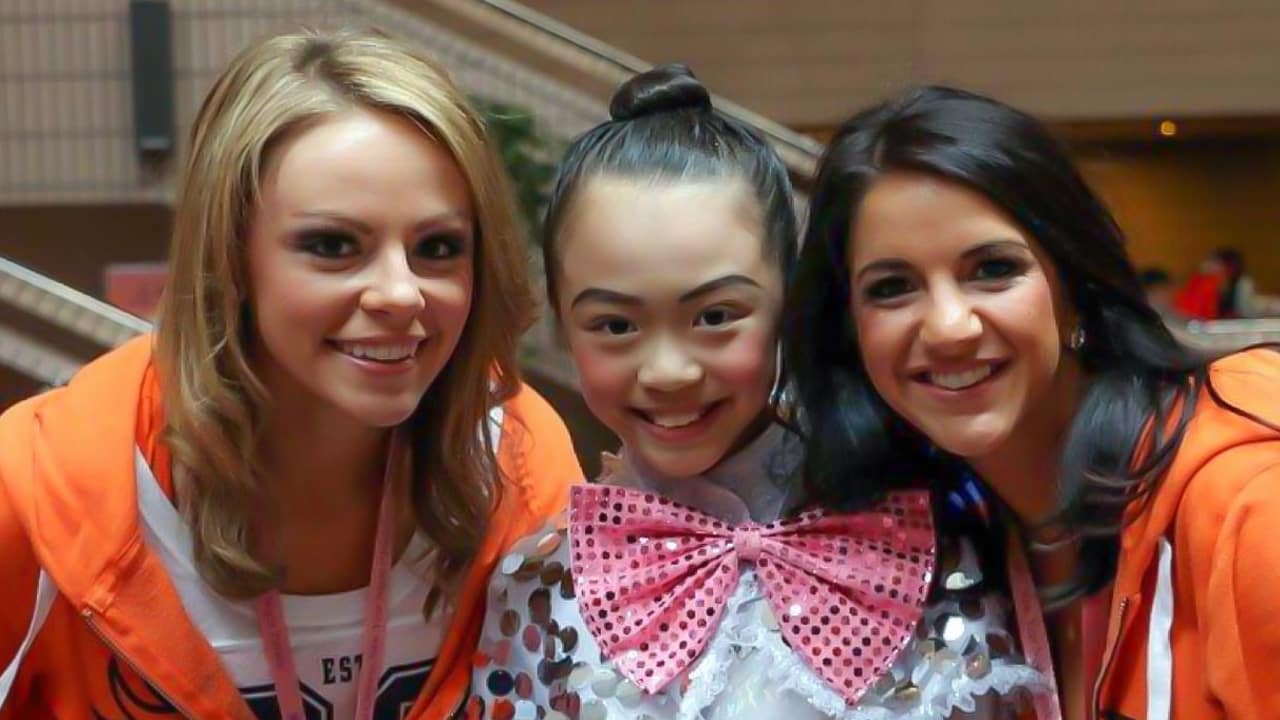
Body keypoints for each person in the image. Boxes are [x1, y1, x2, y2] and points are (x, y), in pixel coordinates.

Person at [0, 28, 581, 719]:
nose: (400, 293)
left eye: (438, 247)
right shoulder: (41, 486)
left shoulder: (519, 459)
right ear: (233, 259)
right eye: (334, 246)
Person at [467, 66, 1049, 720]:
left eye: (715, 316)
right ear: (561, 323)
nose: (668, 371)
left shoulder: (916, 538)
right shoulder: (539, 587)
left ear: (790, 304)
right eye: (616, 325)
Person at [785, 85, 1280, 719]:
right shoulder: (956, 544)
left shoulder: (1245, 504)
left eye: (992, 269)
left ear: (1073, 286)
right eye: (892, 287)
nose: (949, 326)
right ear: (849, 330)